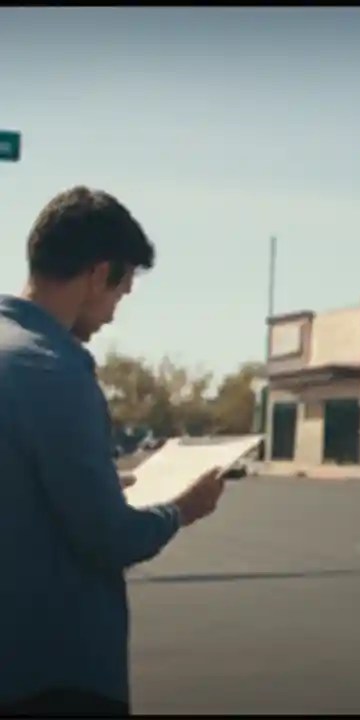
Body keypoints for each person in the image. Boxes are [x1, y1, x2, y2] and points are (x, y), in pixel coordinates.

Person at [0, 187, 227, 717]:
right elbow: (109, 537)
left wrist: (106, 481)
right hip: (53, 676)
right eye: (120, 294)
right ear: (99, 275)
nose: (111, 316)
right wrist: (181, 510)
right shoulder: (53, 368)